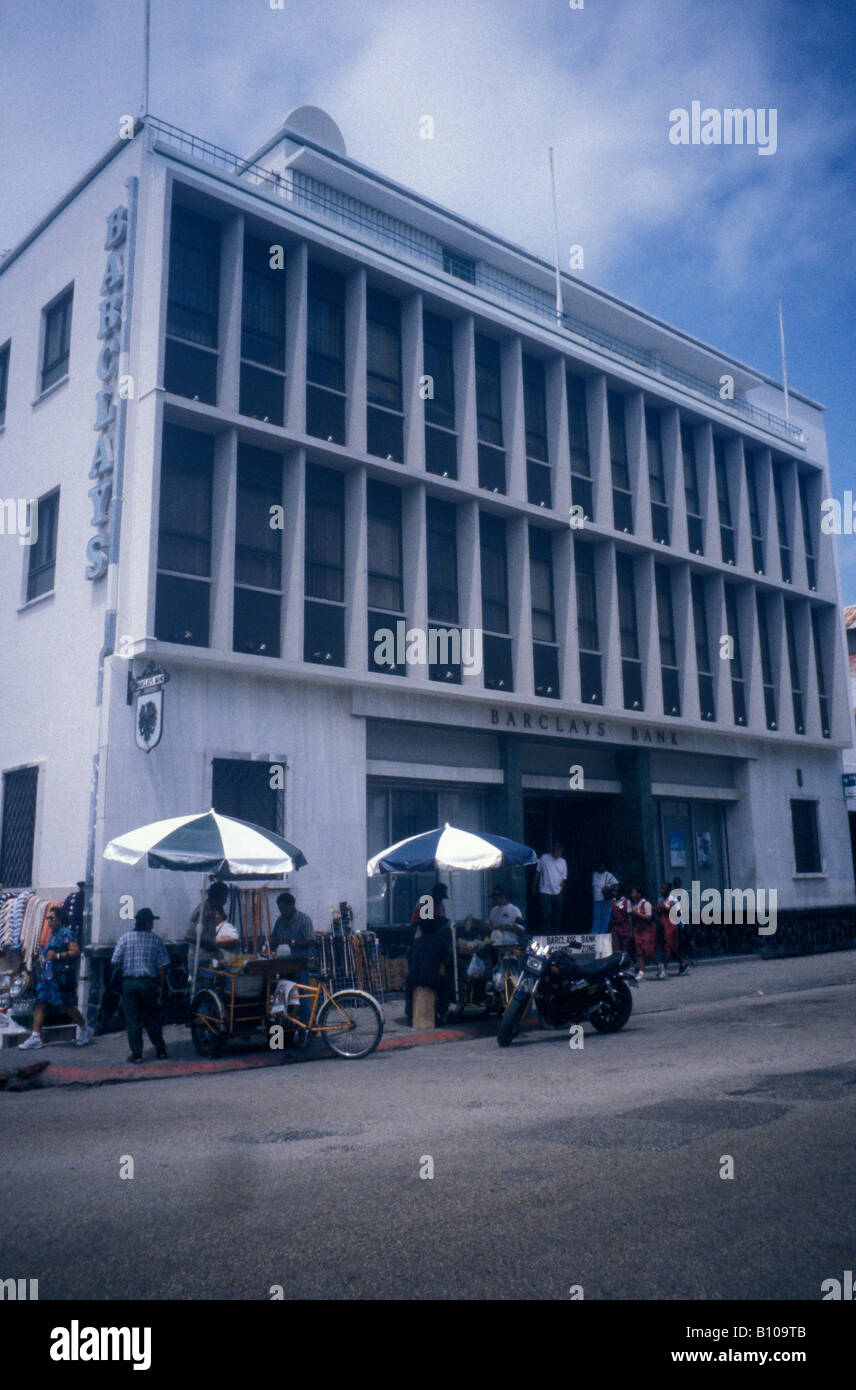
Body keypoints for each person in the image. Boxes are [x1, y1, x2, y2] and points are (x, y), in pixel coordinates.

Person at [18, 906, 94, 1050]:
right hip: (48, 976)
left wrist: (58, 956)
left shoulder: (66, 933)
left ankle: (85, 1029)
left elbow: (75, 951)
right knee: (40, 1002)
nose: (49, 921)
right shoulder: (54, 934)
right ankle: (35, 1037)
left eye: (51, 918)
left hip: (60, 977)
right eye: (48, 918)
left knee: (67, 1005)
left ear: (60, 919)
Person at [110, 908, 170, 1063]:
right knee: (152, 1017)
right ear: (147, 923)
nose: (153, 925)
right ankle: (161, 1050)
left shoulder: (124, 939)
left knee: (133, 1019)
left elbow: (115, 961)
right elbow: (162, 966)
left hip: (129, 983)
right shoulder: (156, 940)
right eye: (152, 922)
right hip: (148, 983)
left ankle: (137, 1054)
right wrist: (161, 986)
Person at [270, 892, 315, 1026]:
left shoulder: (303, 919)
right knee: (282, 993)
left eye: (284, 909)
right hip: (284, 964)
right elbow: (274, 938)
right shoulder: (280, 920)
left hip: (301, 962)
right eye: (280, 909)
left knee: (302, 995)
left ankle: (305, 1028)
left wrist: (293, 942)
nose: (282, 912)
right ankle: (285, 1025)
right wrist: (273, 943)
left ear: (292, 905)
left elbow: (311, 940)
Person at [404, 916, 452, 1027]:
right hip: (431, 978)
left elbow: (410, 959)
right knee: (445, 984)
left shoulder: (416, 942)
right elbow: (447, 962)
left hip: (413, 978)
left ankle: (410, 1015)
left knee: (409, 991)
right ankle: (443, 1013)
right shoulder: (440, 942)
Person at [185, 880, 229, 971]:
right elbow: (189, 937)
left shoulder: (213, 909)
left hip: (209, 958)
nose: (225, 901)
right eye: (224, 898)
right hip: (198, 959)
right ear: (217, 897)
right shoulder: (202, 912)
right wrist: (210, 946)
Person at [537, 842, 567, 931]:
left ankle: (555, 930)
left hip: (557, 891)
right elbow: (538, 872)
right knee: (545, 912)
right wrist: (534, 886)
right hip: (545, 889)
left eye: (559, 852)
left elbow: (563, 878)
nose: (558, 854)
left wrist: (560, 889)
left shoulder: (563, 861)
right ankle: (545, 929)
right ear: (553, 851)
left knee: (558, 911)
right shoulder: (544, 858)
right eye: (556, 851)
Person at [630, 887, 656, 981]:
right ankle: (641, 972)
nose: (632, 895)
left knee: (647, 951)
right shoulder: (635, 904)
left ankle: (659, 964)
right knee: (639, 951)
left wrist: (636, 913)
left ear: (639, 894)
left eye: (634, 892)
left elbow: (649, 918)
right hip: (638, 929)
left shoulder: (646, 904)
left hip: (646, 929)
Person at [592, 860, 618, 934]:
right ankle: (595, 933)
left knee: (605, 917)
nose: (601, 867)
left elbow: (616, 884)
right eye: (599, 866)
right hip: (596, 899)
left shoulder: (608, 875)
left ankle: (603, 932)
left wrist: (608, 888)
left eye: (602, 866)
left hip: (605, 899)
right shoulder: (594, 874)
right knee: (596, 917)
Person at [608, 884, 634, 958]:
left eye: (615, 891)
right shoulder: (612, 902)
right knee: (616, 947)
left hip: (625, 927)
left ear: (620, 892)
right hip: (615, 928)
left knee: (625, 947)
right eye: (613, 891)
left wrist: (631, 931)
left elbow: (630, 917)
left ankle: (626, 966)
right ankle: (618, 966)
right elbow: (610, 916)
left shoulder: (626, 901)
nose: (614, 893)